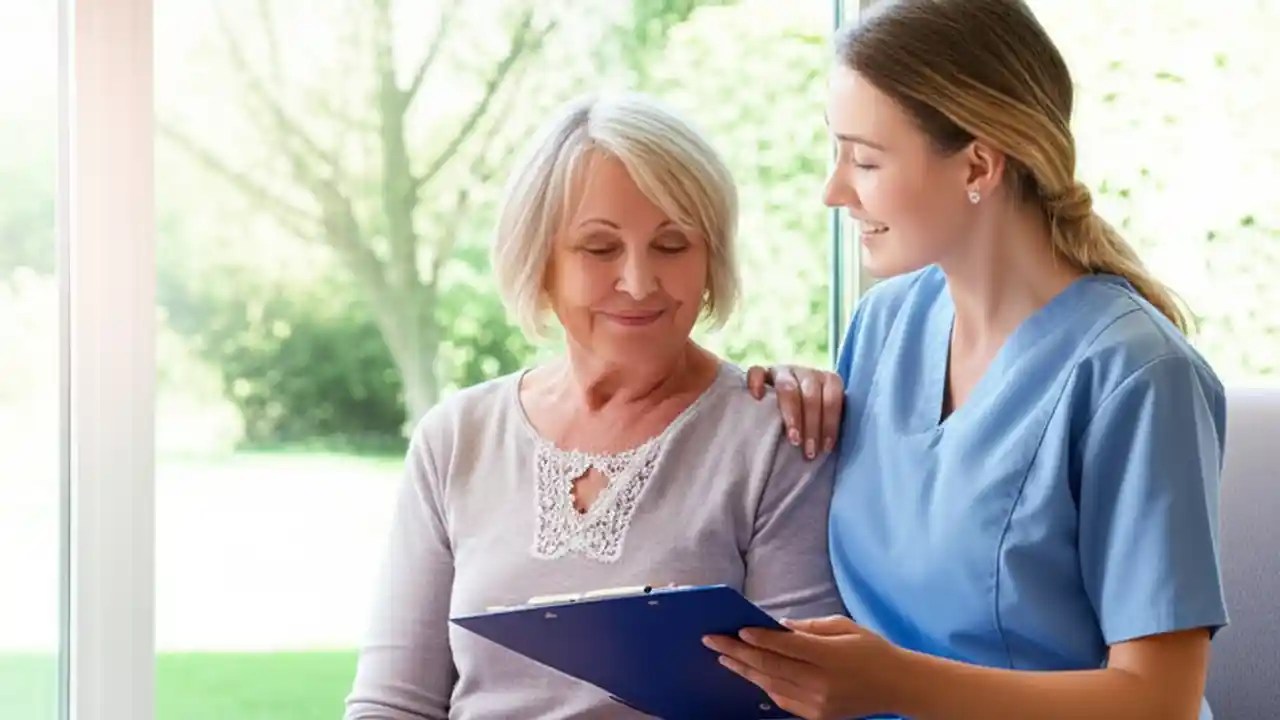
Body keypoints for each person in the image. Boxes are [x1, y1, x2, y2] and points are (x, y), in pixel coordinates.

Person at [711, 1, 1230, 718]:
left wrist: (890, 683)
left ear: (978, 165)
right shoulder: (885, 325)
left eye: (864, 159)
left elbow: (1159, 700)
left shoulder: (1137, 375)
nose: (834, 191)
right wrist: (794, 396)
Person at [343, 92, 843, 719]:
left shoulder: (775, 437)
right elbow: (393, 703)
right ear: (539, 260)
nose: (638, 282)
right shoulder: (455, 438)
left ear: (711, 259)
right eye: (599, 248)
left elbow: (804, 703)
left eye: (672, 244)